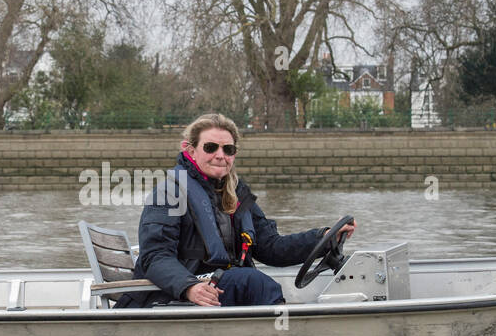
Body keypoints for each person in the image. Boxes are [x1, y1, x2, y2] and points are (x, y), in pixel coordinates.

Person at [116, 113, 355, 308]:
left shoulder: (237, 194)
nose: (220, 155)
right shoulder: (169, 194)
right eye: (210, 147)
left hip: (221, 286)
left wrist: (322, 239)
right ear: (189, 150)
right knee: (254, 282)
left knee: (251, 280)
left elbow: (272, 248)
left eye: (227, 149)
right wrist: (188, 287)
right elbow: (155, 256)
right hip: (170, 294)